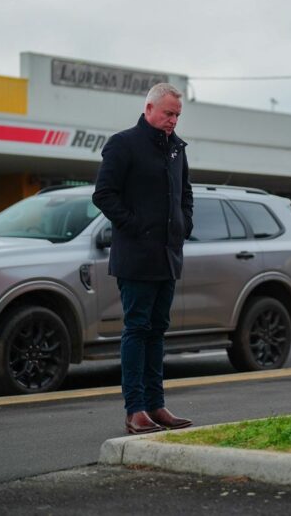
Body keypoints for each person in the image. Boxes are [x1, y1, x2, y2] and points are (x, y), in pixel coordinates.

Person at [93, 82, 194, 434]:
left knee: (157, 332)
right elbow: (103, 194)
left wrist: (184, 225)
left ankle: (156, 405)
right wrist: (136, 226)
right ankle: (134, 409)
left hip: (168, 256)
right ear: (148, 108)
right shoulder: (123, 144)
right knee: (136, 329)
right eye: (168, 113)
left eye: (177, 115)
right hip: (136, 256)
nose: (173, 121)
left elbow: (185, 194)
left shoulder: (176, 149)